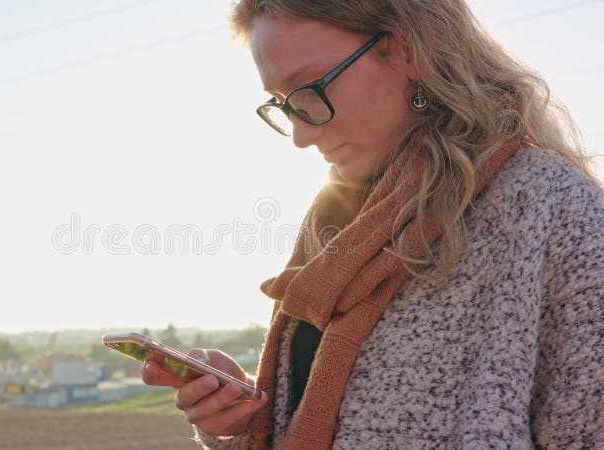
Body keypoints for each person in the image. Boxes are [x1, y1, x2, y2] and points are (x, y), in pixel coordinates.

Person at [141, 1, 604, 448]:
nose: (301, 135)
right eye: (282, 104)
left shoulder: (553, 212)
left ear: (405, 51)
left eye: (309, 89)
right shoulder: (339, 222)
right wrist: (243, 420)